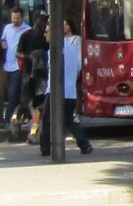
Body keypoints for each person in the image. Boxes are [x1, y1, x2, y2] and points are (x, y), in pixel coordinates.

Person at [39, 16, 94, 157]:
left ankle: (46, 148)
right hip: (70, 92)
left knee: (47, 121)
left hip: (55, 92)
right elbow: (77, 68)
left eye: (47, 31)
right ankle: (84, 144)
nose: (45, 34)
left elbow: (51, 71)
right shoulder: (72, 50)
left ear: (54, 33)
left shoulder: (53, 51)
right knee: (69, 121)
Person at [0, 7, 28, 130]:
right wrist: (3, 43)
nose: (15, 20)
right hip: (7, 65)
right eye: (13, 18)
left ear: (22, 18)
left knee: (13, 92)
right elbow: (3, 39)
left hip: (18, 65)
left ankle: (7, 119)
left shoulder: (27, 30)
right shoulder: (7, 28)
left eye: (17, 18)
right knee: (14, 93)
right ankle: (27, 113)